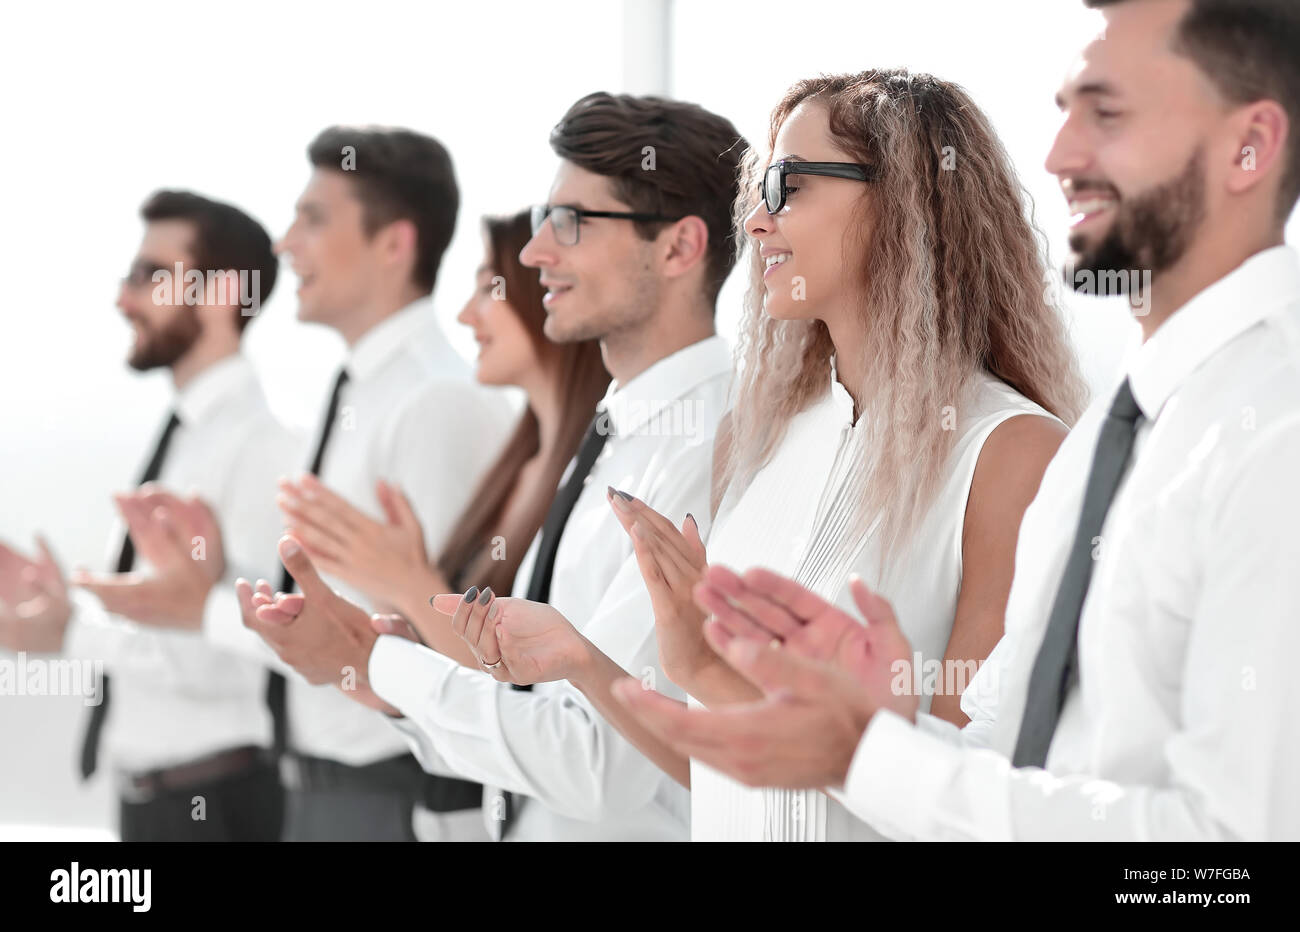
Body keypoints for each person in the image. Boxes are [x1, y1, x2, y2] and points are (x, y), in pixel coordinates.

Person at [614, 0, 1300, 842]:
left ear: (1251, 146)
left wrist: (868, 750)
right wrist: (855, 729)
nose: (1057, 157)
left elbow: (1228, 857)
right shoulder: (1106, 451)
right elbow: (1006, 772)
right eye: (1064, 114)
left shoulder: (1273, 432)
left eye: (1110, 113)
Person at [453, 68, 1089, 842]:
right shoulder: (754, 443)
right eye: (759, 186)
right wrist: (644, 664)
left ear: (903, 202)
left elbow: (974, 796)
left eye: (788, 184)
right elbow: (728, 773)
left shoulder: (1012, 454)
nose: (755, 223)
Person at [239, 92, 744, 841]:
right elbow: (539, 704)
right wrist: (384, 668)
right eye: (544, 221)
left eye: (571, 223)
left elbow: (600, 767)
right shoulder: (620, 432)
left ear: (677, 249)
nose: (537, 252)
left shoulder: (705, 450)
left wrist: (374, 662)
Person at [89, 127, 516, 841]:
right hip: (319, 792)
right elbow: (329, 618)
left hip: (387, 796)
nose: (286, 246)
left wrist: (205, 607)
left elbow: (451, 653)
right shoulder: (354, 392)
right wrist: (218, 590)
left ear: (393, 244)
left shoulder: (437, 401)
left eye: (313, 219)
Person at [0, 190, 294, 841]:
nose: (123, 299)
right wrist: (56, 604)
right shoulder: (181, 436)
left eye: (149, 276)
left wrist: (70, 634)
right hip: (156, 804)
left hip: (213, 809)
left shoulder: (261, 449)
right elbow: (167, 612)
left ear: (222, 294)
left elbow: (233, 656)